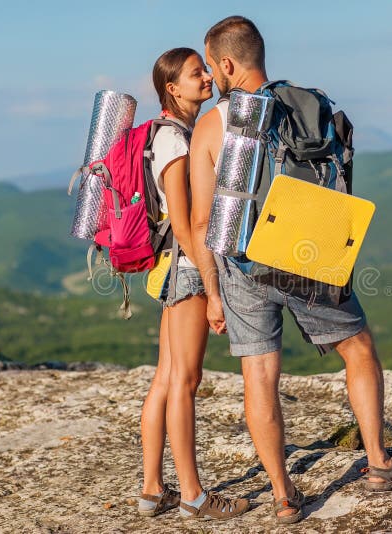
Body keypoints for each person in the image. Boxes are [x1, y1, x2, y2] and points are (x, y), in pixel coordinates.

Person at [189, 17, 392, 525]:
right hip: (306, 255)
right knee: (359, 349)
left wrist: (212, 292)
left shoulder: (212, 126)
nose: (213, 76)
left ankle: (282, 494)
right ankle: (380, 462)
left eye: (213, 66)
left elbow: (200, 220)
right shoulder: (306, 103)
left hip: (242, 268)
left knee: (259, 375)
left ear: (227, 64)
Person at [137, 47, 250, 521]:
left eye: (204, 70)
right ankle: (193, 495)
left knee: (166, 377)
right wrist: (213, 289)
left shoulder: (170, 133)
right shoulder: (176, 141)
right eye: (194, 73)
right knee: (185, 380)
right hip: (186, 267)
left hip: (172, 265)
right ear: (172, 88)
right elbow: (185, 225)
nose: (206, 77)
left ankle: (151, 490)